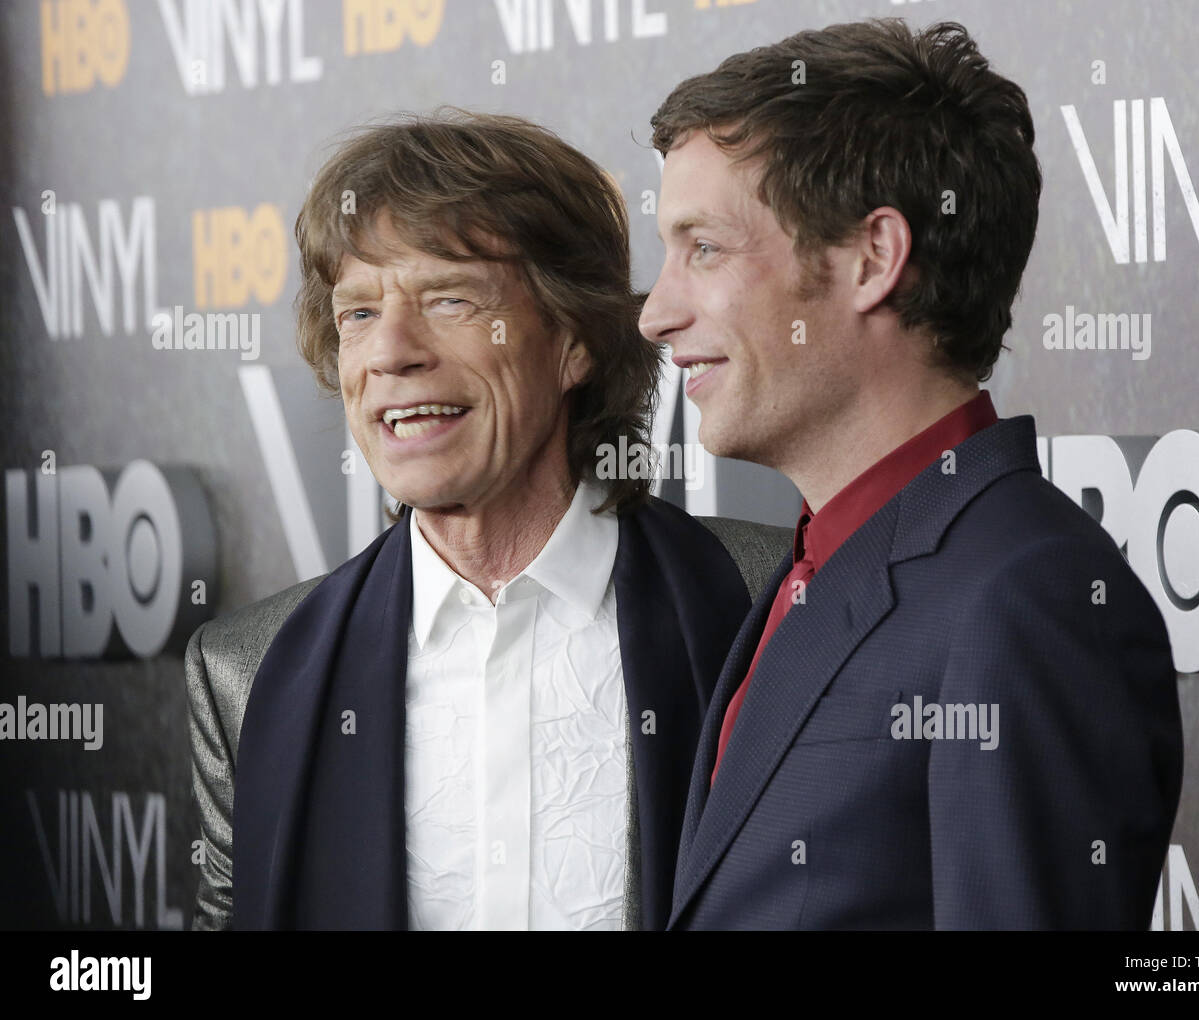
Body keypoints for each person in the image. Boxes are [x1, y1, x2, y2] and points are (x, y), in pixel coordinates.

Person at [639, 19, 1183, 929]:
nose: (655, 312)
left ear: (871, 260)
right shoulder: (816, 566)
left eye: (704, 248)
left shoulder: (1026, 598)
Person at [186, 110, 789, 930]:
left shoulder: (777, 608)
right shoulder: (247, 674)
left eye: (449, 298)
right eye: (358, 313)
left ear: (574, 338)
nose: (391, 350)